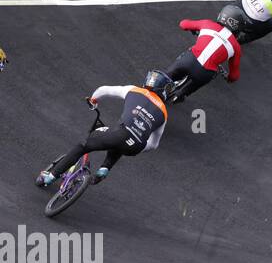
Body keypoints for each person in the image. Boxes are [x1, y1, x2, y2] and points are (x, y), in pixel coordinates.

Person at [36, 71, 172, 187]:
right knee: (121, 141)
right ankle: (104, 169)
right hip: (135, 146)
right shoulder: (164, 112)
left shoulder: (135, 90)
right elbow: (154, 144)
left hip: (119, 134)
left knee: (84, 146)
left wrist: (93, 100)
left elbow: (104, 90)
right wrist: (137, 141)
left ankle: (50, 177)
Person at [167, 18, 242, 103]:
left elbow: (183, 24)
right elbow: (234, 76)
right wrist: (229, 78)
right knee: (191, 87)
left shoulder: (207, 23)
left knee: (167, 76)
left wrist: (193, 29)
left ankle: (161, 82)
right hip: (204, 73)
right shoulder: (236, 47)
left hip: (188, 61)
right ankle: (181, 95)